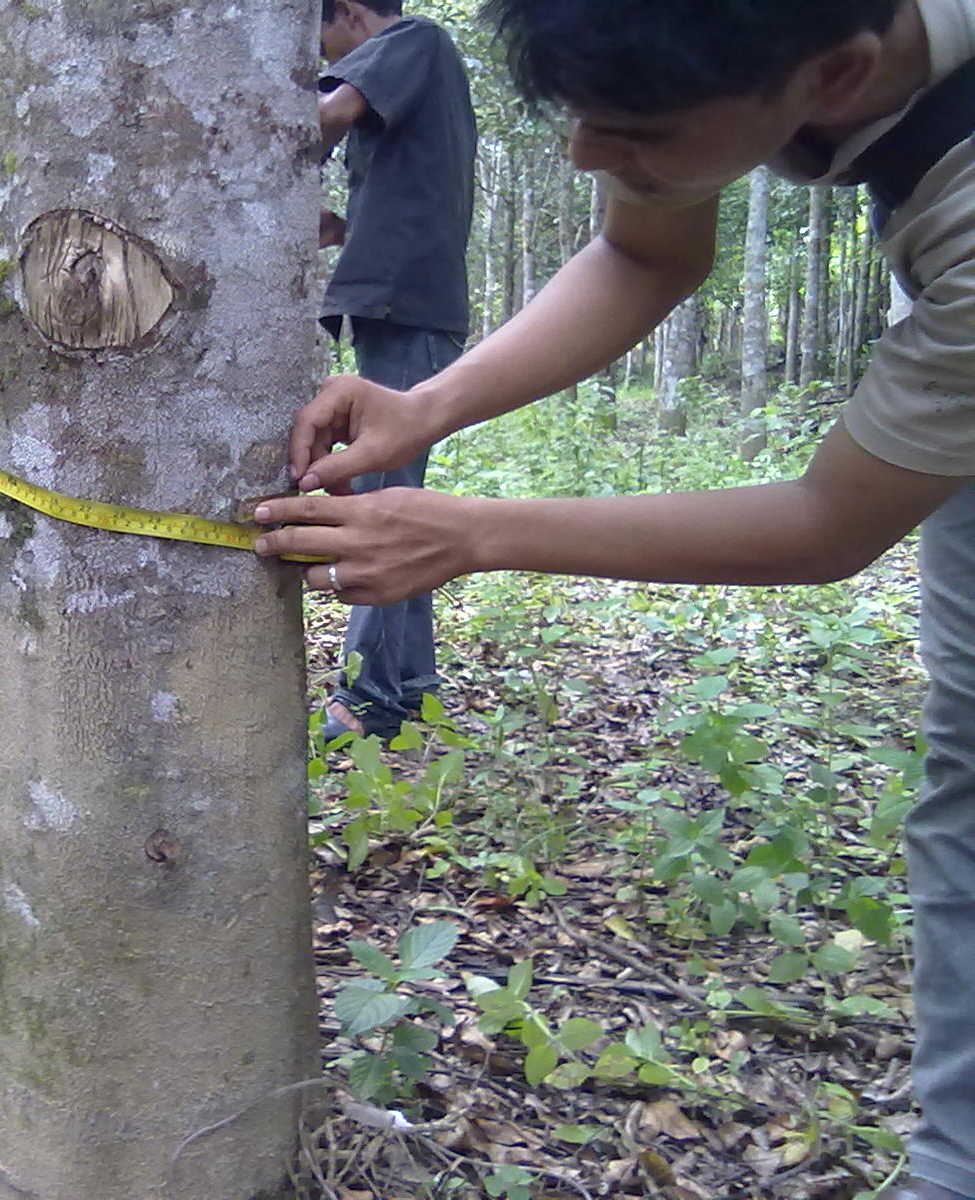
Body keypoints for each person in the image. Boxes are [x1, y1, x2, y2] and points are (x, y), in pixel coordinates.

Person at [254, 0, 975, 1195]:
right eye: (579, 119)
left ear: (838, 74)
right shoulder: (738, 49)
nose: (589, 157)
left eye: (631, 129)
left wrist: (475, 532)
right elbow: (646, 250)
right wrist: (424, 406)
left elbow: (831, 522)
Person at [314, 0, 476, 742]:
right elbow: (408, 197)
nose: (327, 65)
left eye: (324, 45)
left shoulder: (415, 40)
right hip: (399, 309)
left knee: (382, 507)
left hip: (411, 311)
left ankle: (374, 697)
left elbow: (325, 118)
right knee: (396, 494)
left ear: (348, 11)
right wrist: (339, 229)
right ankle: (409, 684)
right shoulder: (415, 80)